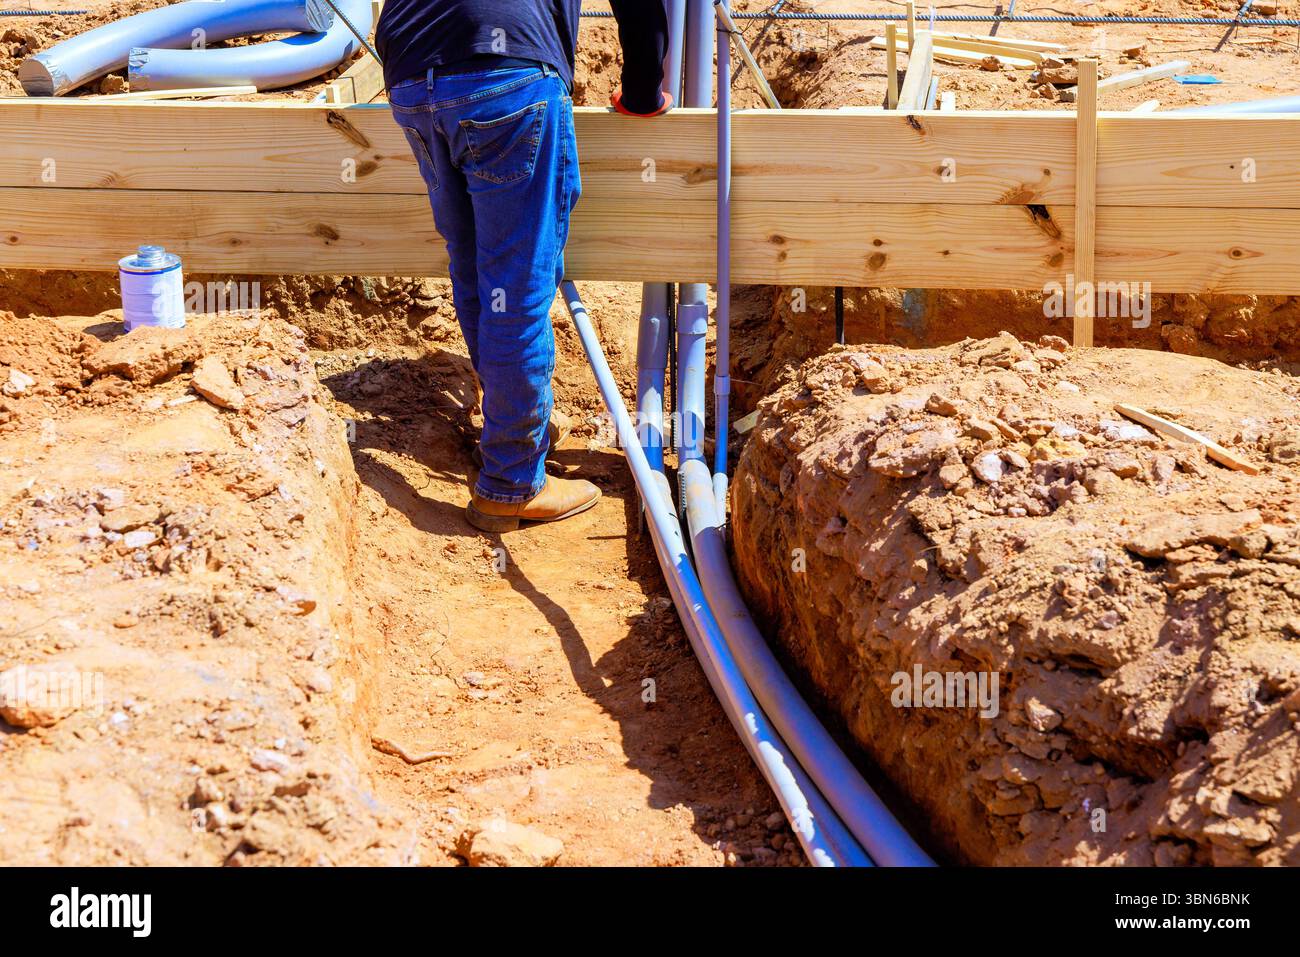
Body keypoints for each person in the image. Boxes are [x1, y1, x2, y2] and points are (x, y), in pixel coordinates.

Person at [376, 1, 672, 532]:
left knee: (474, 273)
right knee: (515, 284)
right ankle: (512, 482)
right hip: (507, 74)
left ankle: (511, 432)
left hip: (413, 73)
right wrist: (643, 92)